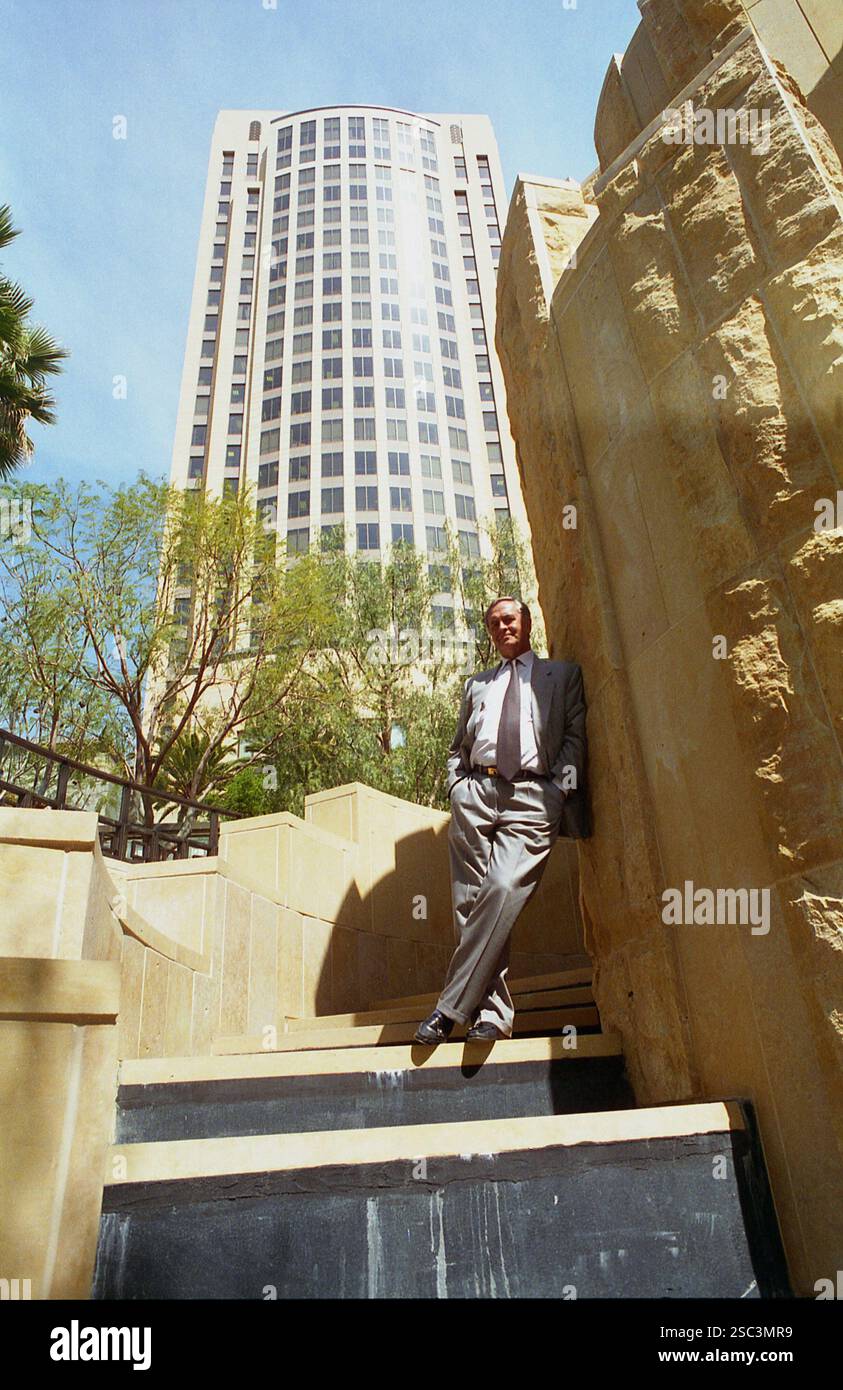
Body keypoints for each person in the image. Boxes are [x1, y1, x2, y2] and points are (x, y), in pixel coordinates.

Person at [414, 596, 590, 1044]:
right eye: (493, 624)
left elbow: (573, 735)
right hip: (476, 793)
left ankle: (450, 1007)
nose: (501, 628)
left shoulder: (562, 675)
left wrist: (558, 791)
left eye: (509, 619)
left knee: (503, 887)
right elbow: (458, 747)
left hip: (534, 794)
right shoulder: (477, 684)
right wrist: (457, 790)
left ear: (527, 623)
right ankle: (491, 1015)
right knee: (468, 904)